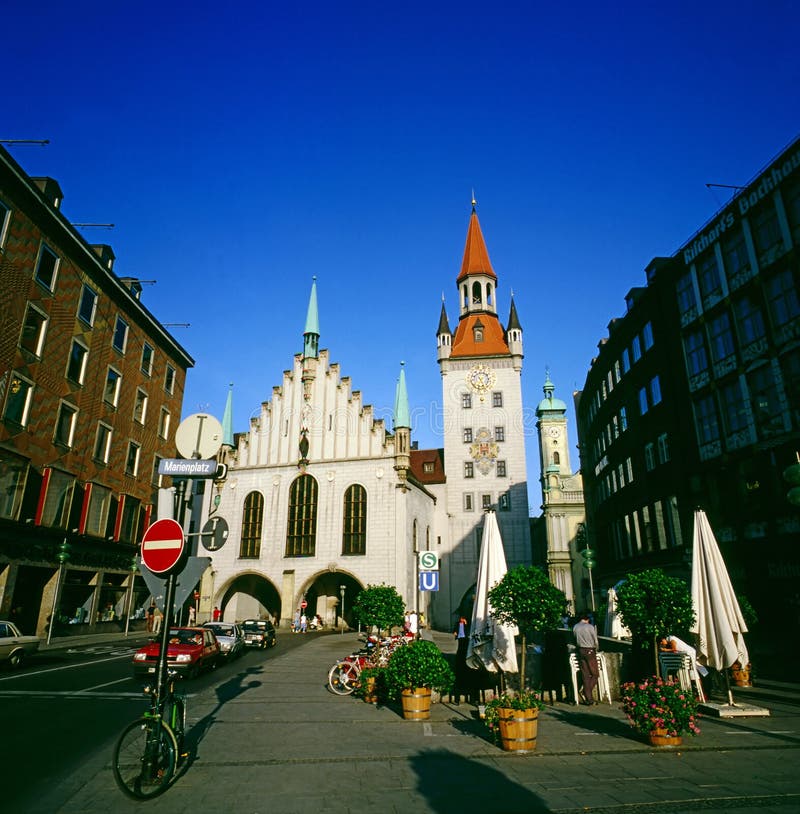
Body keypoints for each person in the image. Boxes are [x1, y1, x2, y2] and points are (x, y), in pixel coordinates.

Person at [573, 611, 599, 705]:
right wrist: (596, 649)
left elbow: (574, 639)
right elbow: (595, 641)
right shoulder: (590, 627)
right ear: (587, 619)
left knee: (585, 675)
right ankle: (586, 692)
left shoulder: (575, 627)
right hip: (590, 650)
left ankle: (589, 698)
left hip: (580, 651)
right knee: (595, 674)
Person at [452, 615, 469, 704]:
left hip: (465, 639)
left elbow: (468, 630)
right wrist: (455, 632)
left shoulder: (467, 624)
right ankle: (457, 699)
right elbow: (454, 629)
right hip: (460, 638)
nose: (462, 619)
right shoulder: (457, 624)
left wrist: (466, 624)